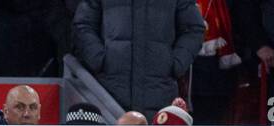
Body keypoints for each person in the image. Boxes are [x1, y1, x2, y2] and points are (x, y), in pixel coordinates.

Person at [72, 0, 204, 117]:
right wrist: (98, 60)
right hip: (110, 93)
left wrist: (175, 64)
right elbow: (83, 25)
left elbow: (193, 29)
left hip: (159, 93)